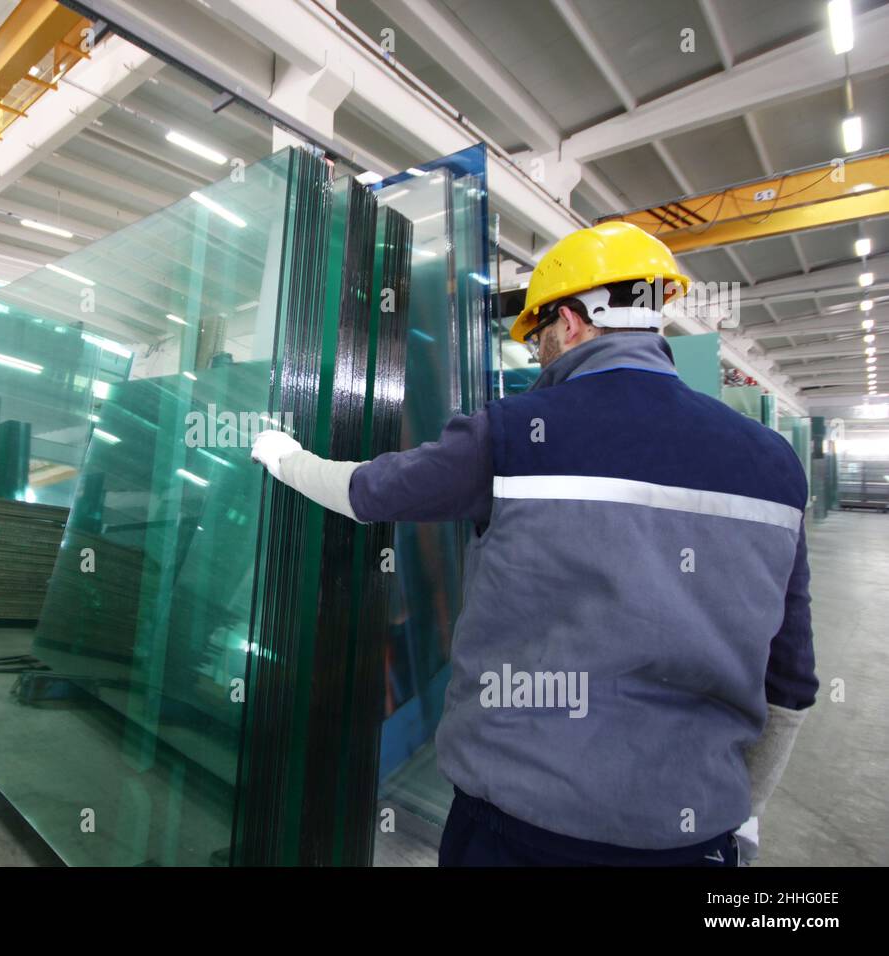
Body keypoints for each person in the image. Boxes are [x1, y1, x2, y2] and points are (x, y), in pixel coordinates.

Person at [250, 221, 817, 867]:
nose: (539, 353)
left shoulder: (516, 432)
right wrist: (743, 813)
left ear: (571, 321)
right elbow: (791, 680)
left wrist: (283, 456)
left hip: (519, 830)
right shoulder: (772, 463)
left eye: (538, 334)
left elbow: (367, 494)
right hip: (691, 835)